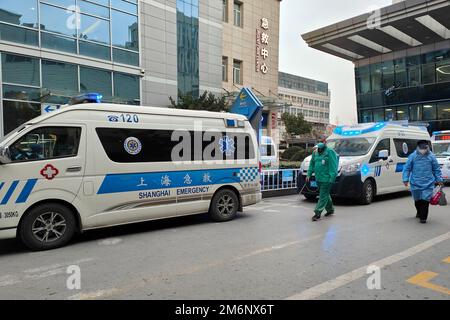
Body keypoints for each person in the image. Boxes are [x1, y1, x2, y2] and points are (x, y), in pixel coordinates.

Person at [402, 140, 443, 224]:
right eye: (421, 148)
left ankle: (423, 218)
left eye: (425, 148)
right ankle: (419, 212)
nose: (423, 150)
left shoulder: (431, 157)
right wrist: (405, 179)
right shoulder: (412, 156)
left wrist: (439, 180)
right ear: (418, 147)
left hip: (428, 183)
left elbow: (436, 169)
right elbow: (407, 168)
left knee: (425, 200)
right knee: (417, 200)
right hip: (415, 182)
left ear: (427, 147)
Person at [306, 142, 339, 221]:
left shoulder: (330, 152)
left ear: (324, 148)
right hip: (318, 178)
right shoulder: (315, 153)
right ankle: (330, 210)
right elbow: (312, 164)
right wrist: (308, 174)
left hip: (327, 179)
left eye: (320, 149)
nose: (318, 150)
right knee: (325, 195)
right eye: (317, 148)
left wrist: (332, 178)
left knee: (322, 195)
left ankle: (317, 213)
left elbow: (333, 166)